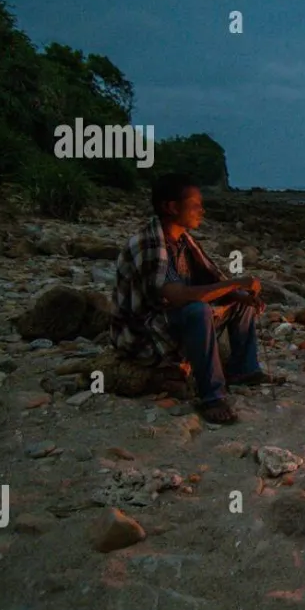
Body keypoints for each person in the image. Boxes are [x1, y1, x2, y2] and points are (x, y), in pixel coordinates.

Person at [112, 173, 274, 425]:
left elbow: (209, 278)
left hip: (170, 321)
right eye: (196, 205)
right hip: (145, 333)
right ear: (172, 207)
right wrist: (235, 282)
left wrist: (241, 294)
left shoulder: (183, 241)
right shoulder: (149, 244)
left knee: (240, 304)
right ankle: (212, 397)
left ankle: (244, 369)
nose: (202, 210)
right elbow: (178, 297)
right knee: (199, 311)